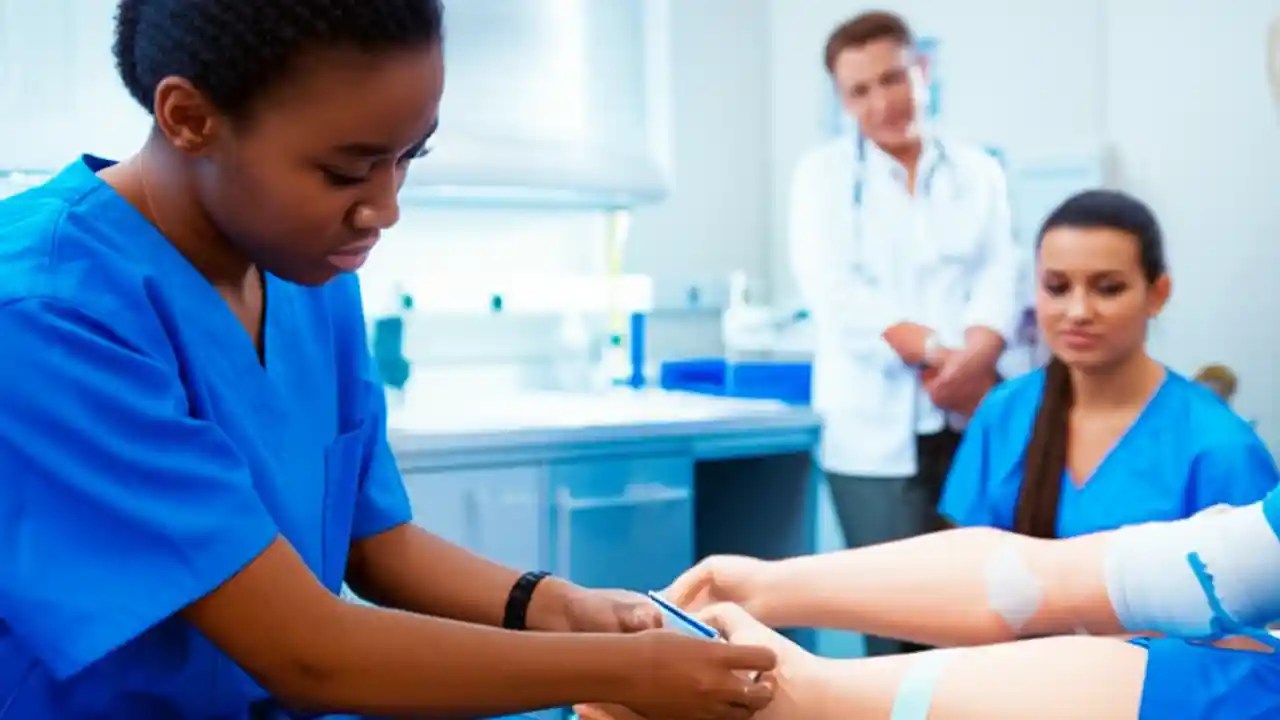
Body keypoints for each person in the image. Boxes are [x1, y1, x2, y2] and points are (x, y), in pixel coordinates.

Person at [0, 2, 778, 718]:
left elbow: (375, 543)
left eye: (408, 157)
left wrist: (555, 605)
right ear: (190, 117)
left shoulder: (305, 263)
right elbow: (307, 652)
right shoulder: (50, 310)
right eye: (345, 172)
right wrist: (621, 674)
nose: (386, 207)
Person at [788, 10, 1021, 656]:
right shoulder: (823, 178)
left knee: (980, 619)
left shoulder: (979, 170)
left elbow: (1001, 272)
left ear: (923, 70)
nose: (881, 102)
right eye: (859, 91)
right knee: (894, 623)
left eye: (892, 78)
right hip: (873, 434)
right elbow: (835, 293)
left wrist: (978, 353)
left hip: (968, 422)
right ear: (842, 99)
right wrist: (937, 352)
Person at [938, 190, 1279, 539]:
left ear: (1157, 294)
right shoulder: (1005, 413)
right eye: (1057, 288)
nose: (1078, 312)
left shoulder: (1219, 447)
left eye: (1108, 289)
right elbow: (961, 564)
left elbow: (1254, 585)